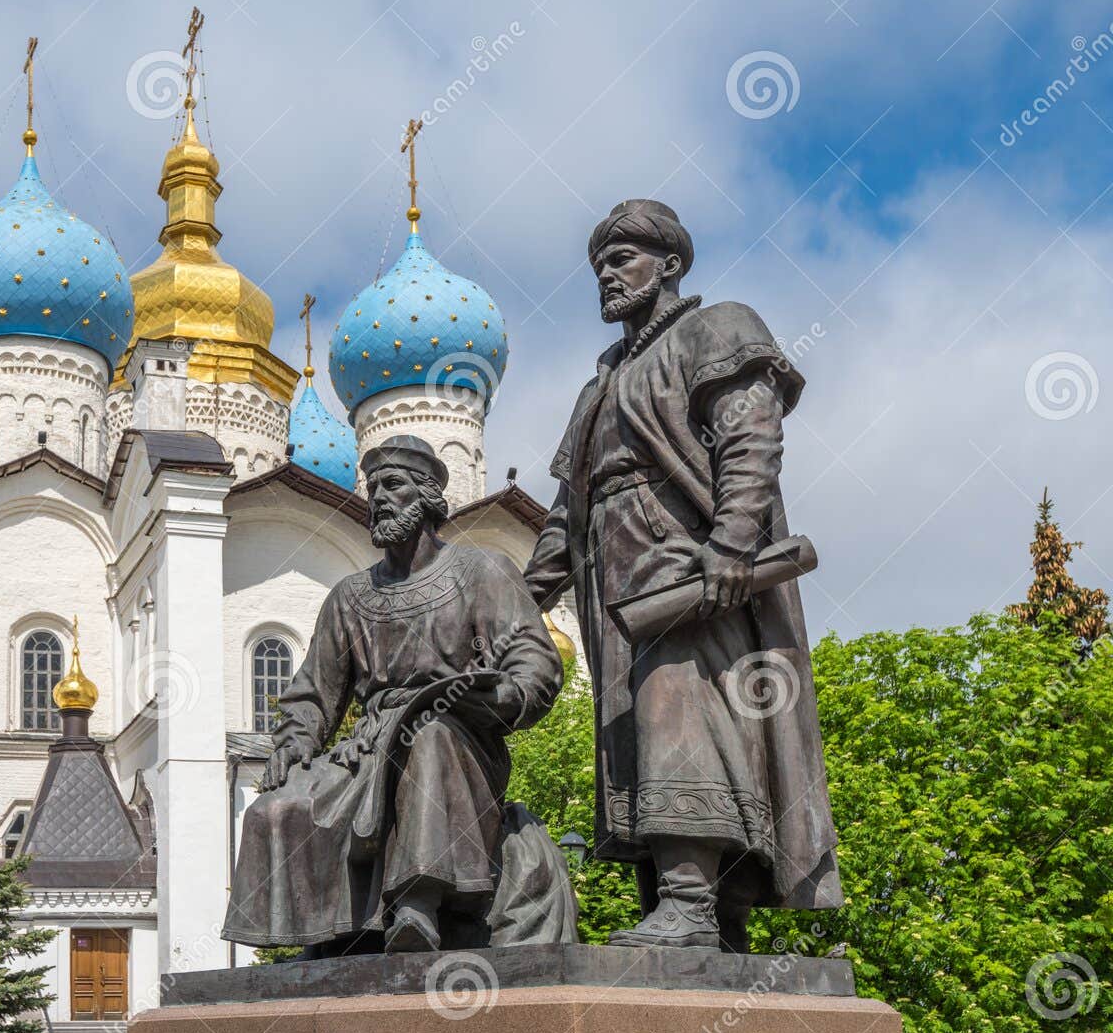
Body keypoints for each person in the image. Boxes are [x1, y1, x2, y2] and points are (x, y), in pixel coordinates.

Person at [524, 199, 841, 951]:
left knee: (683, 710)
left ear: (668, 264)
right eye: (599, 265)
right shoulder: (599, 386)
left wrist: (730, 541)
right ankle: (710, 923)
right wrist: (517, 599)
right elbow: (567, 511)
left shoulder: (716, 328)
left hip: (684, 564)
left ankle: (691, 903)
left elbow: (751, 437)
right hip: (612, 572)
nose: (607, 275)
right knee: (637, 732)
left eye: (622, 259)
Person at [223, 436, 574, 954]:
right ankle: (319, 943)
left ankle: (417, 907)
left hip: (462, 739)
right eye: (372, 490)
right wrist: (293, 743)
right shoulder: (349, 597)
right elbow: (313, 693)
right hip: (369, 748)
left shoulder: (484, 571)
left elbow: (533, 659)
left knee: (430, 734)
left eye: (392, 485)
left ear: (427, 496)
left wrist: (501, 695)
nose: (379, 499)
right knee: (276, 807)